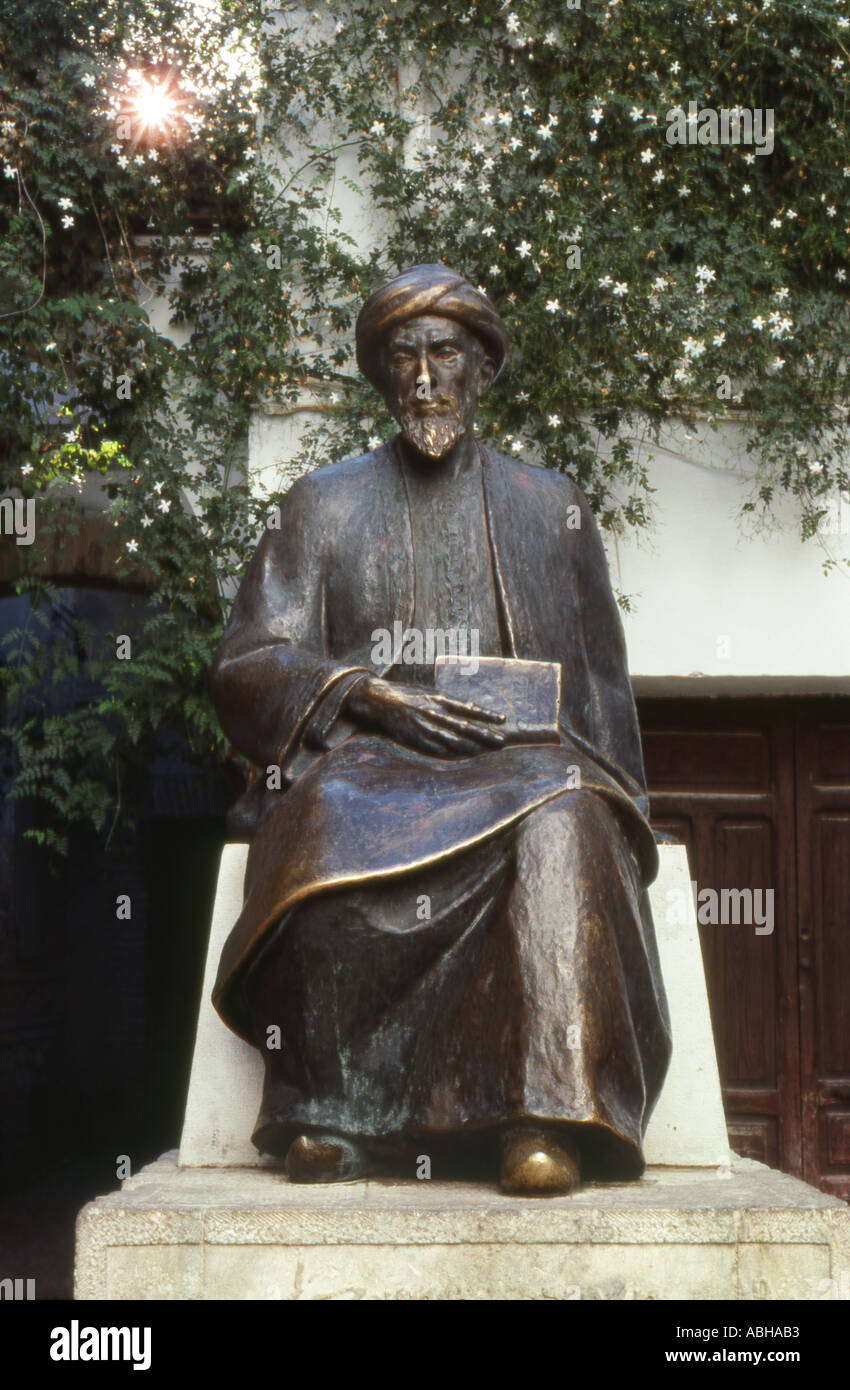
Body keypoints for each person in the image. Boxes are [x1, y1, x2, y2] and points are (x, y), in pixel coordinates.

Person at [210, 264, 671, 1195]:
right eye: (403, 359)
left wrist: (628, 804)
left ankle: (544, 1117)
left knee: (568, 814)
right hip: (371, 756)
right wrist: (367, 695)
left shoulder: (553, 508)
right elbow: (248, 661)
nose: (424, 380)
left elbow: (603, 683)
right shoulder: (323, 503)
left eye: (444, 355)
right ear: (383, 378)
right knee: (325, 813)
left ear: (481, 369)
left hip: (523, 758)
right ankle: (332, 1112)